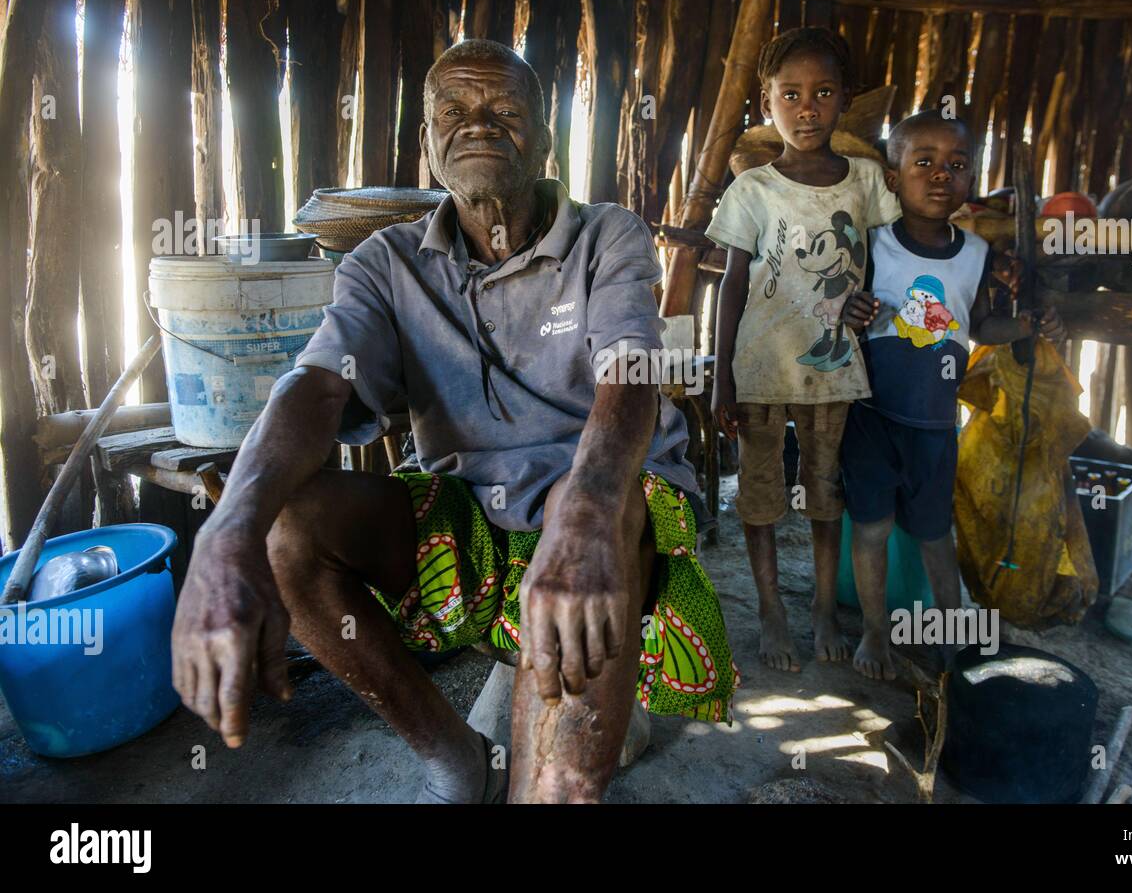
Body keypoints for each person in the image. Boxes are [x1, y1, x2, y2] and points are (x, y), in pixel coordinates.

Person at [170, 39, 736, 804]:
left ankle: (567, 752)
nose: (478, 124)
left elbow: (628, 376)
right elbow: (314, 386)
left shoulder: (607, 234)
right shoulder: (383, 262)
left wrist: (585, 511)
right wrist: (227, 527)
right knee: (284, 532)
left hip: (605, 509)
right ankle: (457, 756)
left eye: (505, 111)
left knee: (562, 771)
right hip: (470, 514)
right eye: (453, 111)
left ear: (542, 140)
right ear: (428, 142)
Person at [839, 110, 1063, 679]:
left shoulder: (975, 254)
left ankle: (950, 634)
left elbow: (980, 325)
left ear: (971, 179)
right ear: (893, 178)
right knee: (871, 530)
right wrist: (850, 311)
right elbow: (836, 311)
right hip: (872, 418)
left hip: (937, 425)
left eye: (957, 165)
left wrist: (1024, 327)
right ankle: (873, 633)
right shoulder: (871, 246)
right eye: (924, 162)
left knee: (937, 535)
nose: (941, 175)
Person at [708, 27, 900, 672]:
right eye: (790, 94)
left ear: (845, 101)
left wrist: (871, 300)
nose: (807, 107)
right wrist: (720, 380)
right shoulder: (751, 189)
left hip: (832, 372)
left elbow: (892, 264)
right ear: (767, 103)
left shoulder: (867, 182)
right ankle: (771, 610)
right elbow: (732, 287)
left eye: (822, 92)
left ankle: (821, 606)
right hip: (759, 369)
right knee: (761, 498)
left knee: (824, 495)